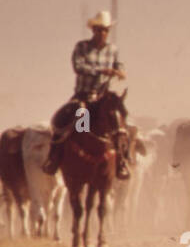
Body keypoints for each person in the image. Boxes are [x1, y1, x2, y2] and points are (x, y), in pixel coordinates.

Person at [43, 10, 130, 179]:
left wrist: (120, 72)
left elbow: (121, 68)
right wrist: (101, 70)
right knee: (69, 121)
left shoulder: (113, 50)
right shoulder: (81, 47)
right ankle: (54, 158)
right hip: (84, 97)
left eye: (105, 30)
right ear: (93, 30)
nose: (102, 33)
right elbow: (78, 67)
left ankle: (122, 162)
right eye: (99, 29)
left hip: (103, 96)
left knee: (122, 125)